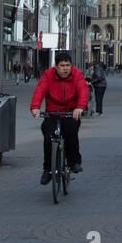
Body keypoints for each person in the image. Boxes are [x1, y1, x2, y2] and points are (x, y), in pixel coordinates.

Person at [30, 52, 89, 185]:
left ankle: (74, 162)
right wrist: (35, 107)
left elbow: (83, 91)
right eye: (62, 65)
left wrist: (80, 107)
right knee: (48, 138)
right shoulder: (48, 75)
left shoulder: (77, 75)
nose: (65, 68)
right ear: (55, 66)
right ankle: (47, 170)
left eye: (68, 65)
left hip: (70, 112)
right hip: (52, 113)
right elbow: (40, 91)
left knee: (71, 132)